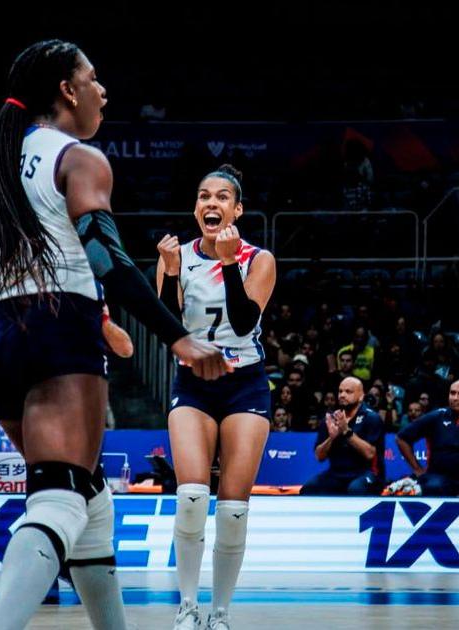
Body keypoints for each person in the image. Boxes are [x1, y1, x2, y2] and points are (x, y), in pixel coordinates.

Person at [0, 40, 227, 630]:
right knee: (58, 499)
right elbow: (108, 260)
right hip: (61, 328)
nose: (102, 90)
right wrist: (178, 338)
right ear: (67, 90)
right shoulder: (78, 158)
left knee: (89, 496)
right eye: (93, 78)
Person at [155, 164, 277, 630]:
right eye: (204, 196)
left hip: (244, 382)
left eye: (222, 197)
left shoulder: (258, 258)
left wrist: (228, 263)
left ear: (237, 209)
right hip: (193, 384)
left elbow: (245, 323)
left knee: (233, 508)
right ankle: (186, 606)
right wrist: (167, 274)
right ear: (196, 207)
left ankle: (220, 611)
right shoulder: (176, 256)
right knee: (190, 498)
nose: (212, 203)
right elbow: (168, 328)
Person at [395, 380, 459, 497]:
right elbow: (401, 438)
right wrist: (417, 469)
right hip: (439, 477)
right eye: (452, 393)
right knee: (434, 486)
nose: (455, 398)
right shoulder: (436, 416)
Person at [300, 377, 385, 495]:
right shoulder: (331, 419)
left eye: (348, 392)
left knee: (355, 489)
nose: (342, 395)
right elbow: (319, 456)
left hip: (367, 473)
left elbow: (370, 454)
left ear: (361, 396)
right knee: (309, 488)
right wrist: (332, 438)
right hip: (337, 474)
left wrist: (347, 431)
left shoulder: (371, 418)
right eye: (340, 391)